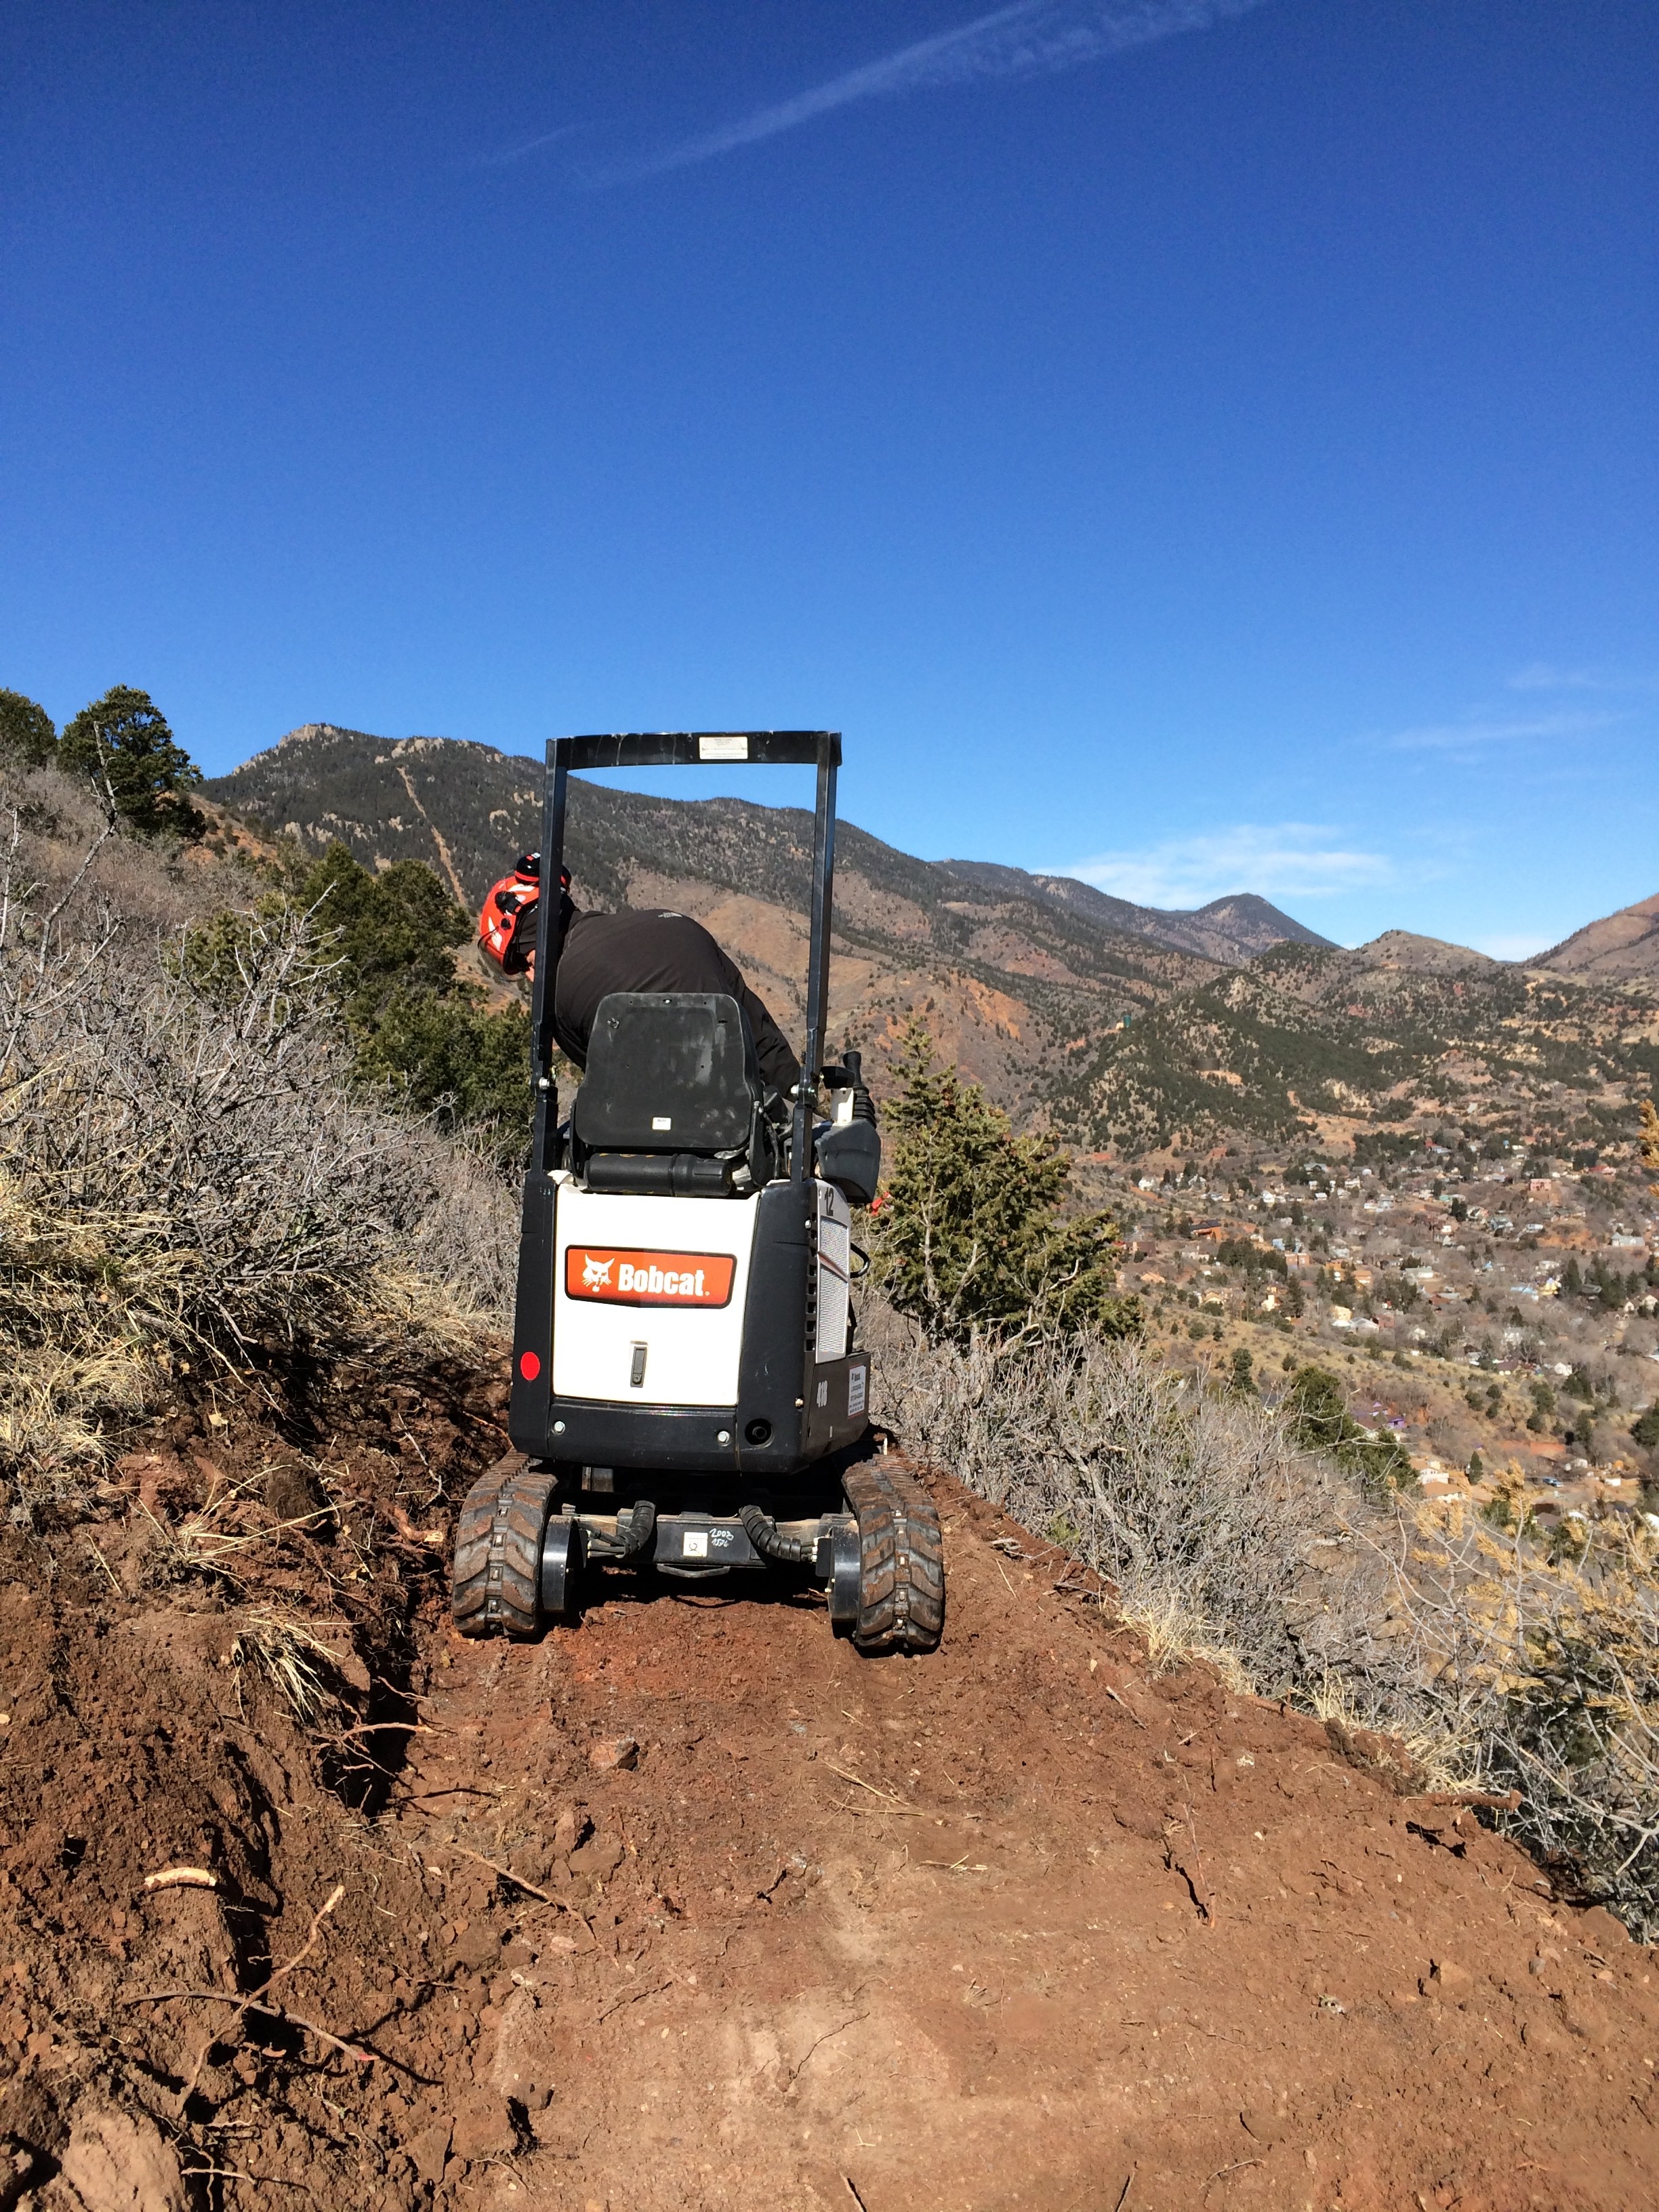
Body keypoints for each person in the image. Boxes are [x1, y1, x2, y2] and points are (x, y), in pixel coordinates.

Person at [476, 853, 800, 1099]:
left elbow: (607, 1090)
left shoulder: (561, 995)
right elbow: (760, 1033)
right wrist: (797, 1101)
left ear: (537, 938)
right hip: (743, 1124)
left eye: (523, 962)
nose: (530, 977)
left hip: (661, 1150)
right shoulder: (681, 926)